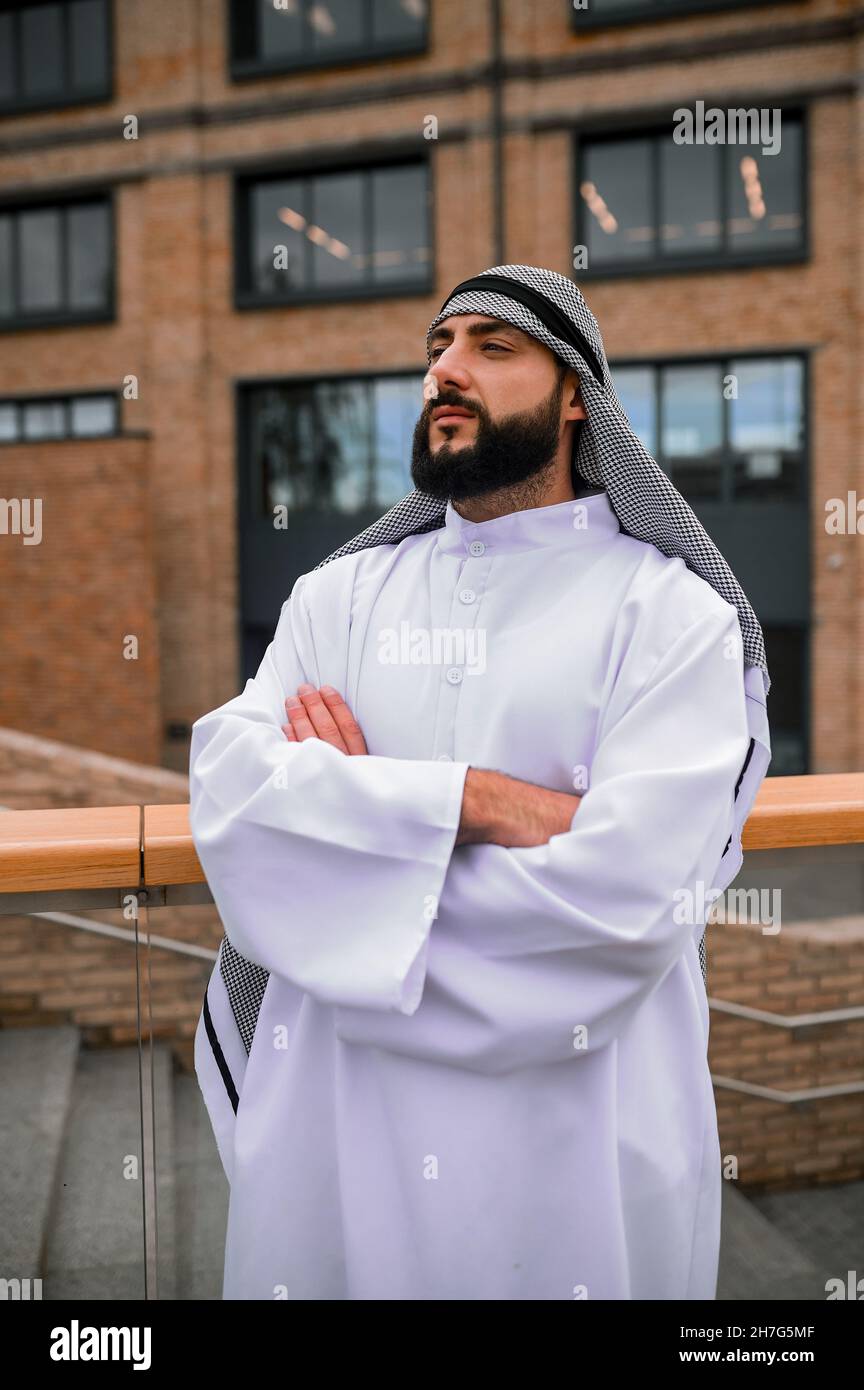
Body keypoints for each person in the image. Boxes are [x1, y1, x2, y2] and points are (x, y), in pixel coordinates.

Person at [189, 264, 772, 1300]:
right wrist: (473, 803)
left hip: (576, 1148)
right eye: (437, 348)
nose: (446, 372)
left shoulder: (672, 619)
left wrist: (352, 849)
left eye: (493, 349)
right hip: (336, 1133)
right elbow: (234, 801)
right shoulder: (337, 596)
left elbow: (624, 907)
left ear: (575, 404)